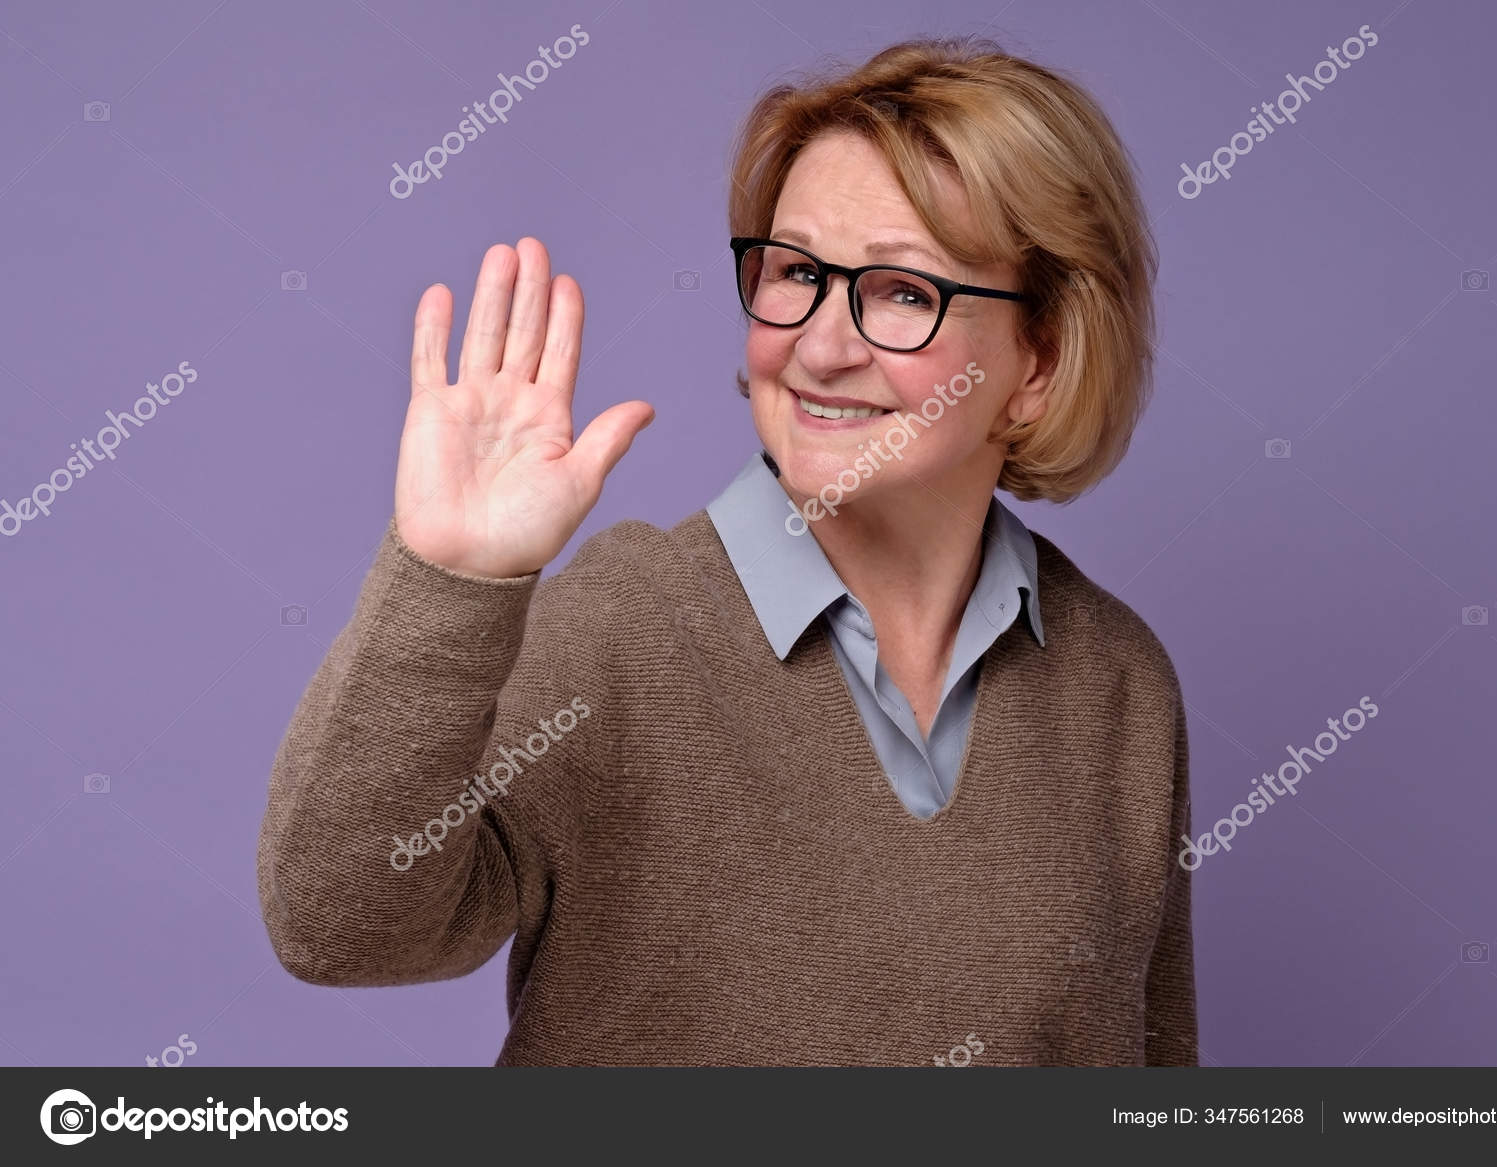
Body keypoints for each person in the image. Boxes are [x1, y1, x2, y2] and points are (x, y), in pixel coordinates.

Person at [257, 36, 1195, 1066]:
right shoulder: (620, 631)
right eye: (797, 272)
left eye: (902, 291)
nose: (820, 346)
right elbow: (338, 926)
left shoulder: (1118, 683)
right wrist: (451, 580)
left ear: (1040, 359)